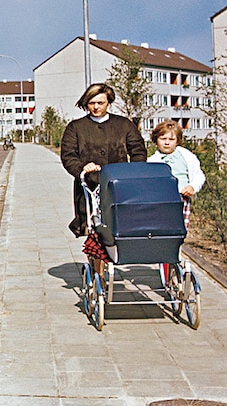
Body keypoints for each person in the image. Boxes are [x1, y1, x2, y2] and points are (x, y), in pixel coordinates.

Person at [60, 83, 147, 275]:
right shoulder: (76, 127)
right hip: (89, 187)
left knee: (118, 224)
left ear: (109, 102)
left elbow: (138, 151)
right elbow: (68, 156)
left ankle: (115, 259)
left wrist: (132, 173)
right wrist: (82, 169)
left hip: (120, 186)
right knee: (93, 228)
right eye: (91, 103)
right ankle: (96, 272)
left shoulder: (123, 125)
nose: (96, 107)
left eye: (100, 102)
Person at [148, 119, 205, 228]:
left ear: (177, 140)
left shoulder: (186, 156)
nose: (167, 142)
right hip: (161, 200)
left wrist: (192, 187)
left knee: (180, 228)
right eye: (163, 139)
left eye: (171, 139)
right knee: (162, 228)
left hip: (181, 196)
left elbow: (199, 175)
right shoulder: (151, 161)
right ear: (156, 140)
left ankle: (178, 244)